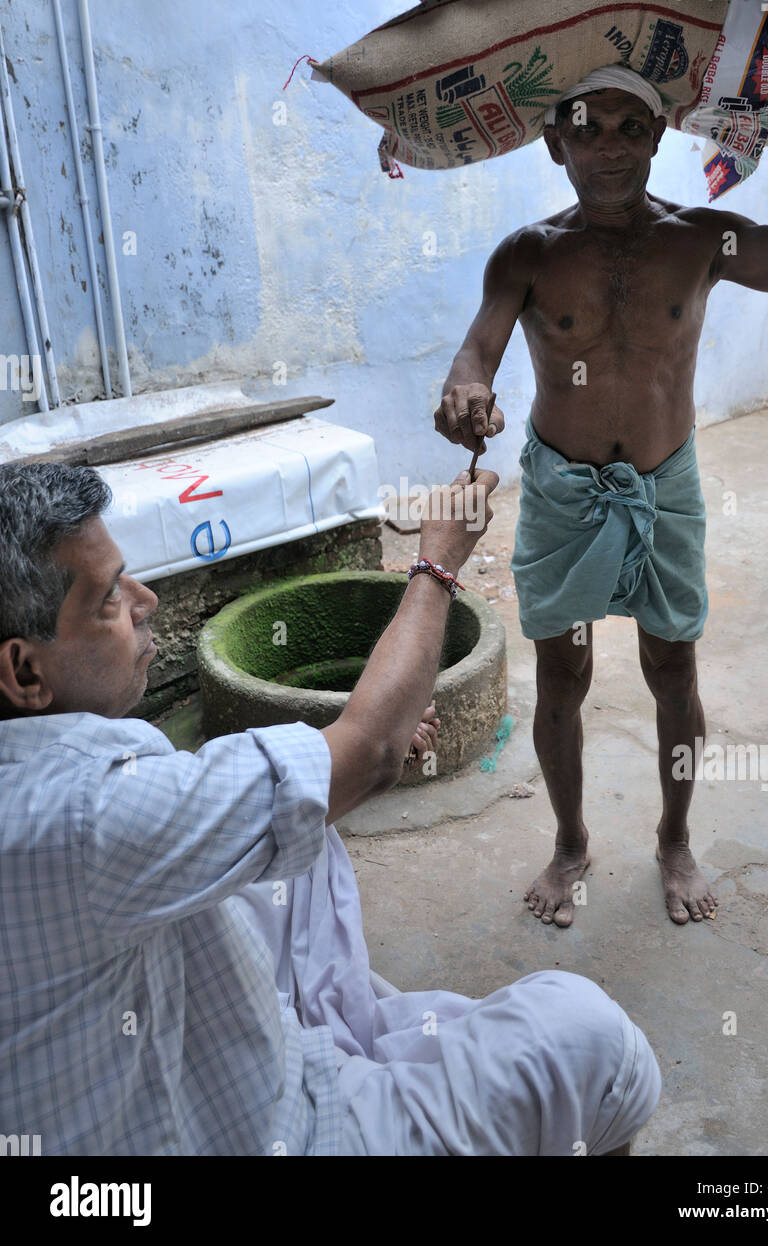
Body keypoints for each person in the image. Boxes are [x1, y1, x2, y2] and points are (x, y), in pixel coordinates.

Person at [0, 460, 660, 1155]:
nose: (145, 601)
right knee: (593, 1043)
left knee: (295, 853)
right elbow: (368, 750)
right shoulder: (89, 818)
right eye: (107, 598)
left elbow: (304, 782)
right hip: (256, 1130)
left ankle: (334, 1026)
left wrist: (350, 756)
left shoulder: (57, 792)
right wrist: (436, 564)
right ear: (22, 672)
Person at [434, 62, 768, 929]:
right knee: (564, 669)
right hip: (562, 490)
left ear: (661, 134)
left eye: (630, 126)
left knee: (672, 668)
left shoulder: (701, 241)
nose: (610, 148)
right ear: (555, 144)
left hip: (664, 490)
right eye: (587, 129)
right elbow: (475, 351)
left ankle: (673, 840)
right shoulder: (526, 254)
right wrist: (463, 387)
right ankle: (568, 843)